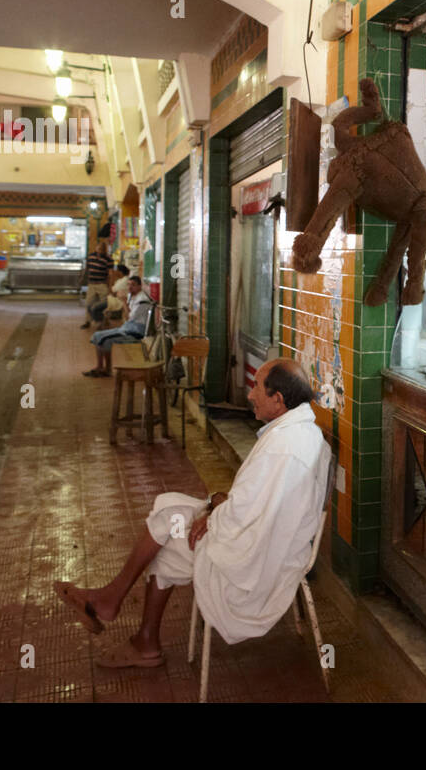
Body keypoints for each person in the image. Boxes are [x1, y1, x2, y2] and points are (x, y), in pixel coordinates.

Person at [54, 360, 331, 667]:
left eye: (257, 388)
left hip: (255, 557)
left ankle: (123, 616)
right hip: (271, 539)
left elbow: (246, 513)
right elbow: (259, 501)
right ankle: (130, 624)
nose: (251, 395)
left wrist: (213, 516)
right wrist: (216, 502)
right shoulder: (304, 432)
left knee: (165, 529)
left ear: (278, 400)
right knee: (167, 511)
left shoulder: (283, 447)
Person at [83, 275, 153, 377]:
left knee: (105, 339)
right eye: (128, 285)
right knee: (97, 335)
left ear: (139, 286)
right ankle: (100, 367)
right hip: (128, 327)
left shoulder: (142, 300)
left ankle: (107, 370)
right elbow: (126, 316)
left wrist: (124, 302)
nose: (130, 287)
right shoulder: (133, 296)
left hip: (135, 331)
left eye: (133, 285)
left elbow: (129, 317)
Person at [80, 238, 114, 329]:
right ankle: (87, 321)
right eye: (98, 248)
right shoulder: (91, 256)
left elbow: (110, 274)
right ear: (96, 248)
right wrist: (82, 278)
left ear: (104, 250)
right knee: (88, 303)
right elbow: (87, 268)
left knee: (104, 304)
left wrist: (110, 286)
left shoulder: (108, 259)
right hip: (92, 284)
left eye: (101, 249)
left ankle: (104, 321)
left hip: (102, 284)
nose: (99, 251)